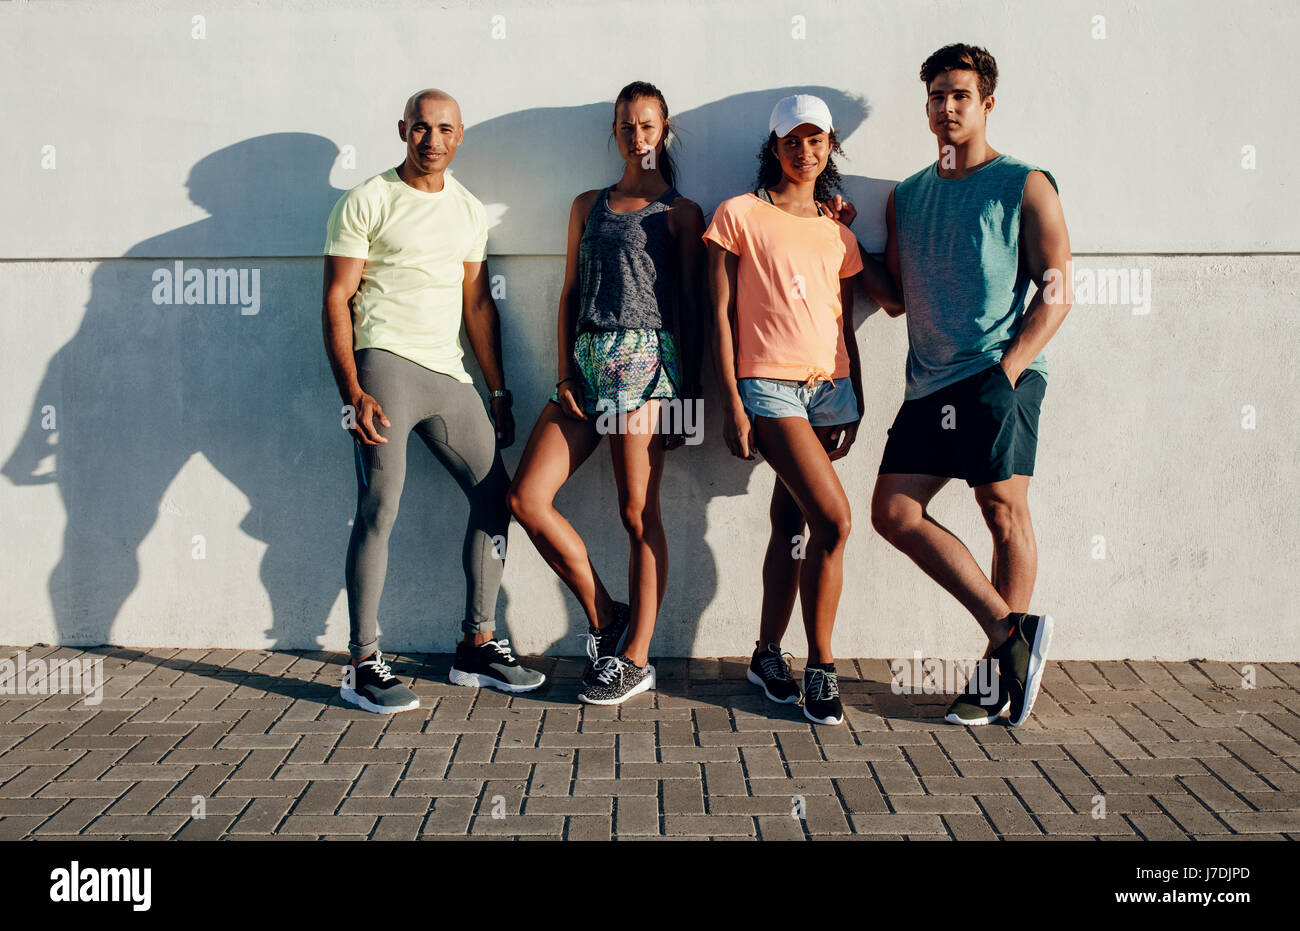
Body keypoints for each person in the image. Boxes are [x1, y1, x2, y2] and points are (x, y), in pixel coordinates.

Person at [323, 88, 545, 714]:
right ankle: (363, 662)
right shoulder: (368, 199)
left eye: (444, 128)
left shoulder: (470, 211)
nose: (432, 139)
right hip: (384, 367)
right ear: (403, 130)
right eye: (421, 128)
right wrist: (353, 390)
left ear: (460, 135)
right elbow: (337, 299)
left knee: (496, 497)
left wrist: (498, 390)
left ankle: (476, 645)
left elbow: (477, 305)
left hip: (448, 374)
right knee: (379, 505)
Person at [869, 45, 1073, 727]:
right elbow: (895, 296)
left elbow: (1058, 291)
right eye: (936, 96)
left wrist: (1008, 371)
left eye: (960, 95)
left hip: (997, 373)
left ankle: (998, 682)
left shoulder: (1025, 184)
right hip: (928, 383)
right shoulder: (909, 195)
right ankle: (1009, 636)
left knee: (1000, 509)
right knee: (892, 512)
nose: (946, 108)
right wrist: (840, 241)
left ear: (988, 101)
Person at [703, 94, 899, 725]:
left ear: (830, 145)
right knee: (836, 522)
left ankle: (765, 654)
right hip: (768, 388)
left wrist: (856, 398)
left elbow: (859, 316)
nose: (804, 151)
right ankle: (820, 666)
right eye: (792, 140)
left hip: (830, 390)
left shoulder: (836, 230)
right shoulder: (737, 215)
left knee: (791, 524)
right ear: (774, 146)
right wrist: (732, 402)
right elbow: (720, 317)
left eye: (816, 141)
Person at [509, 81, 705, 705]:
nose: (637, 136)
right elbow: (569, 292)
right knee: (527, 499)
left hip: (646, 364)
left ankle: (637, 657)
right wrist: (564, 371)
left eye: (647, 125)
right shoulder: (587, 203)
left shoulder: (682, 211)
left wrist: (691, 398)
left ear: (663, 129)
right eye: (626, 126)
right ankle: (606, 615)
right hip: (589, 362)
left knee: (635, 512)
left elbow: (693, 308)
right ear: (615, 133)